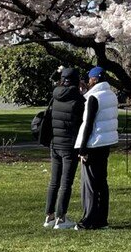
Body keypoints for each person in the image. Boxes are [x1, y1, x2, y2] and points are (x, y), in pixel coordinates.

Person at [74, 66, 118, 230]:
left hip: (93, 143)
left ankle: (89, 219)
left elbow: (88, 124)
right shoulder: (111, 94)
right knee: (101, 182)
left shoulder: (93, 97)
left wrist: (82, 148)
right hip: (105, 143)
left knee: (90, 184)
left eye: (89, 79)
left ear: (94, 79)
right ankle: (102, 219)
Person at [44, 67, 85, 230]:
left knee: (54, 181)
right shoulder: (78, 99)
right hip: (69, 145)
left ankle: (49, 216)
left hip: (55, 143)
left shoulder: (56, 94)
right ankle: (61, 218)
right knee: (66, 183)